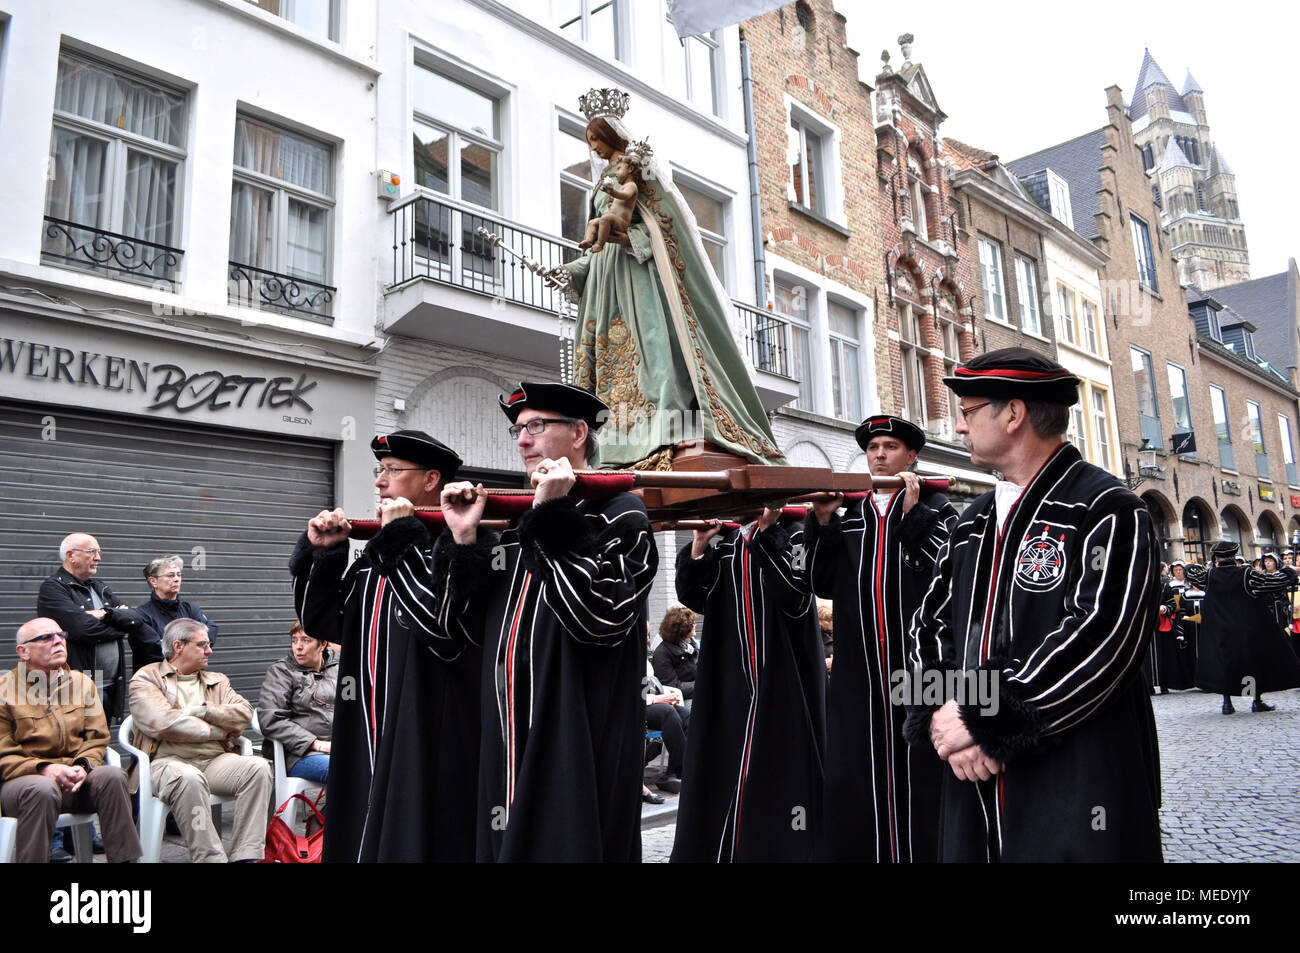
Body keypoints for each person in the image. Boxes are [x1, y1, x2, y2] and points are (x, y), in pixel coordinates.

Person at [904, 348, 1163, 862]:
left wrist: (984, 719)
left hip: (1073, 773)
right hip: (969, 773)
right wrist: (940, 712)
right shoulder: (971, 521)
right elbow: (931, 625)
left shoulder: (1110, 509)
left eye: (969, 411)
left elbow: (1102, 638)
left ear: (1014, 414)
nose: (959, 427)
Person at [436, 381, 658, 862]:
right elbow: (464, 630)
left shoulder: (622, 512)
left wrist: (554, 515)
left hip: (575, 721)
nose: (522, 440)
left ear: (579, 433)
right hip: (508, 720)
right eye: (518, 430)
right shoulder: (519, 522)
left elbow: (602, 620)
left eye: (536, 426)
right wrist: (464, 540)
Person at [554, 88, 785, 469]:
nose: (592, 148)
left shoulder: (638, 176)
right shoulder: (598, 185)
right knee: (611, 357)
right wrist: (569, 272)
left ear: (611, 137)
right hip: (606, 279)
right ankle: (611, 439)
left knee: (651, 348)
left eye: (595, 139)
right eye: (589, 141)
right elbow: (593, 252)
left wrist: (630, 239)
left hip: (639, 276)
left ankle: (662, 429)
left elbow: (666, 229)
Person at [291, 429, 479, 862]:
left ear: (431, 479)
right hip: (365, 721)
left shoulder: (459, 543)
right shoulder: (378, 553)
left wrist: (400, 541)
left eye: (392, 471)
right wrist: (325, 556)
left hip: (427, 723)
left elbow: (442, 627)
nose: (379, 482)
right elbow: (324, 622)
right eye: (380, 471)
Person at [802, 414, 957, 863]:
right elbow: (820, 583)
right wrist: (825, 524)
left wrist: (913, 520)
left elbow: (945, 579)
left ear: (912, 456)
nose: (880, 455)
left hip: (918, 671)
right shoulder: (852, 517)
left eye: (890, 447)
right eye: (873, 448)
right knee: (857, 772)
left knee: (922, 767)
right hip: (858, 672)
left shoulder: (940, 510)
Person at [670, 508, 825, 863]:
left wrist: (768, 538)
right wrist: (697, 547)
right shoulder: (729, 541)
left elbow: (798, 594)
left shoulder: (798, 534)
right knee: (724, 764)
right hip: (729, 676)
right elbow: (696, 597)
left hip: (785, 675)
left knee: (780, 769)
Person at [128, 619, 271, 863]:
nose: (210, 650)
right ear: (178, 646)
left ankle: (246, 856)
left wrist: (203, 710)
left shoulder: (217, 680)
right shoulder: (147, 678)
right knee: (188, 778)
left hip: (215, 760)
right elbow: (162, 722)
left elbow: (244, 712)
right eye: (202, 644)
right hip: (166, 762)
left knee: (258, 768)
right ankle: (211, 858)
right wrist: (216, 732)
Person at [0, 618, 141, 863]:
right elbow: (3, 750)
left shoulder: (83, 683)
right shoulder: (4, 690)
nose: (58, 641)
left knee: (113, 777)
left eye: (61, 635)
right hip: (22, 786)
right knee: (41, 788)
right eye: (46, 638)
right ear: (23, 651)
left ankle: (125, 862)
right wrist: (45, 769)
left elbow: (97, 737)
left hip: (76, 781)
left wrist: (82, 766)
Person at [37, 533, 144, 720]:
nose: (98, 557)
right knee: (79, 743)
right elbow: (82, 630)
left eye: (98, 552)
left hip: (110, 683)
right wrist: (119, 623)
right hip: (76, 686)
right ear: (71, 555)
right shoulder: (53, 589)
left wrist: (105, 614)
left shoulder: (99, 587)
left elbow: (136, 619)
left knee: (101, 742)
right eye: (91, 552)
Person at [1185, 541, 1300, 713]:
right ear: (1234, 555)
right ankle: (1256, 700)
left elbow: (1190, 572)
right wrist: (1288, 571)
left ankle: (1227, 703)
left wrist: (1210, 564)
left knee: (1225, 664)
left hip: (1220, 629)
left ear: (1217, 557)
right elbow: (1271, 582)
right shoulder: (1246, 574)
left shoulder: (1209, 576)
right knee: (1252, 663)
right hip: (1246, 628)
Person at [256, 621, 337, 785]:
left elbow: (353, 705)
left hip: (340, 747)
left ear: (323, 645)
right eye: (294, 640)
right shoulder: (281, 672)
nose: (298, 647)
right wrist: (316, 744)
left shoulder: (340, 668)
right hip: (299, 754)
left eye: (306, 640)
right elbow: (271, 719)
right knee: (344, 770)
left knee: (383, 766)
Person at [133, 555, 219, 673]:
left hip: (190, 680)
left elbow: (212, 629)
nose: (177, 579)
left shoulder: (190, 610)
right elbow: (156, 651)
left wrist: (179, 644)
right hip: (157, 683)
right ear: (153, 581)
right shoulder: (141, 615)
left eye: (179, 574)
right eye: (170, 575)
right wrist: (195, 645)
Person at [643, 643, 689, 795]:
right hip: (639, 706)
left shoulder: (645, 659)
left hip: (653, 700)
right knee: (668, 713)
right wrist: (658, 699)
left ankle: (682, 770)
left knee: (685, 714)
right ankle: (677, 771)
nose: (648, 640)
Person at [580, 148, 642, 254]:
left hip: (621, 222)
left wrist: (612, 192)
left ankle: (600, 244)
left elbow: (625, 196)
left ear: (630, 169)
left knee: (606, 218)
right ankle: (589, 240)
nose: (616, 172)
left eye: (619, 168)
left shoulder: (631, 186)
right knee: (593, 222)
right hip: (613, 220)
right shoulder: (624, 186)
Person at [651, 605, 698, 702]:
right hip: (683, 700)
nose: (695, 625)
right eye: (691, 623)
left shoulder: (691, 645)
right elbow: (673, 687)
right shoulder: (662, 654)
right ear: (682, 629)